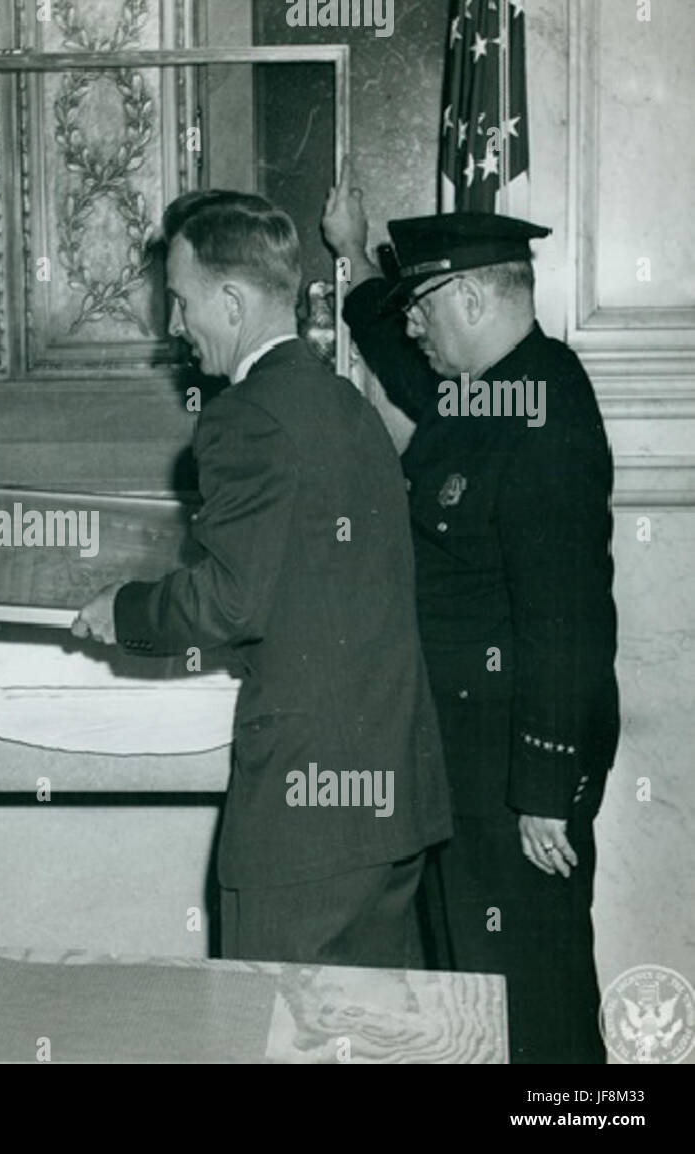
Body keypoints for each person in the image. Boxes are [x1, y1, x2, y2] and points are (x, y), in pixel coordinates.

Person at [74, 190, 452, 968]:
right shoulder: (346, 404)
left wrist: (127, 608)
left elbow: (231, 598)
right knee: (371, 1037)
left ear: (234, 300)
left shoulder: (243, 415)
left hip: (307, 816)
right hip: (390, 798)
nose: (174, 327)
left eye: (180, 303)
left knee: (272, 1029)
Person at [321, 162, 620, 1062]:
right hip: (464, 760)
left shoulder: (547, 412)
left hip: (513, 775)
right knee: (476, 992)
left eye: (426, 303)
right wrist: (351, 255)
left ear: (475, 301)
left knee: (534, 993)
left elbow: (565, 619)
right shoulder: (487, 389)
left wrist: (542, 789)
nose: (414, 322)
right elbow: (396, 350)